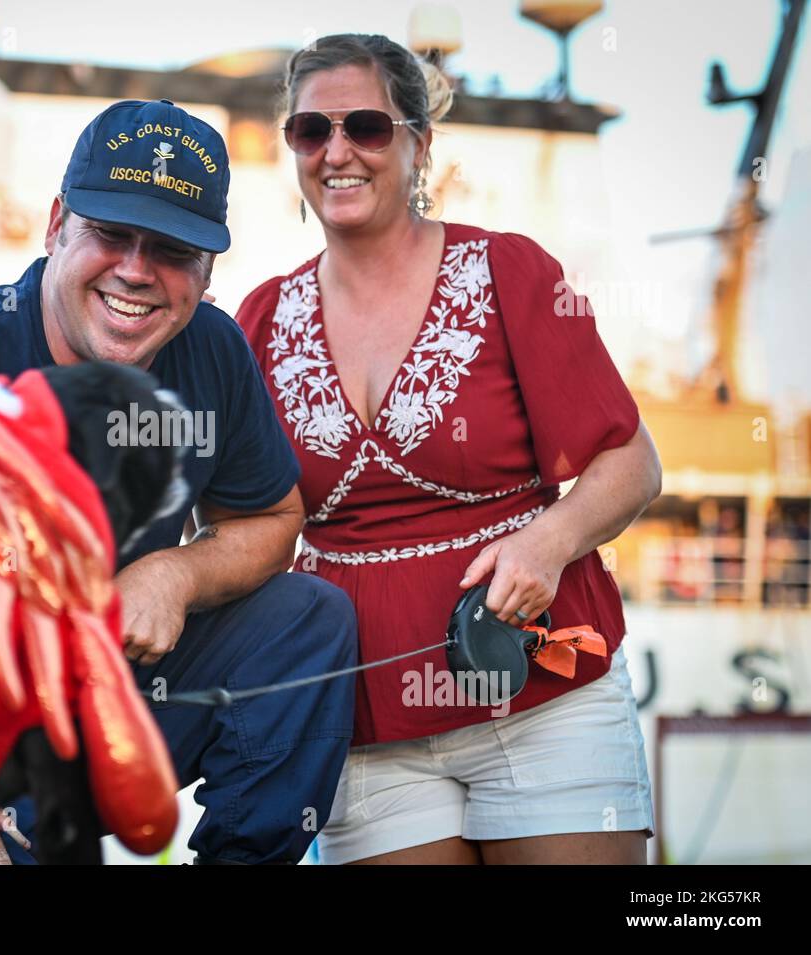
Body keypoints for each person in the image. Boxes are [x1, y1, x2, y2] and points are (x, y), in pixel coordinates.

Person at [0, 99, 358, 864]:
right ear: (56, 224)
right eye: (111, 233)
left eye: (171, 248)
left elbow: (272, 519)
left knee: (308, 617)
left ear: (208, 270)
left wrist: (177, 571)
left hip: (85, 712)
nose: (136, 271)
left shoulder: (211, 350)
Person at [236, 34, 663, 864]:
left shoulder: (511, 272)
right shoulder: (257, 319)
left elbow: (631, 461)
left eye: (366, 125)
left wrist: (549, 541)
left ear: (419, 142)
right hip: (361, 725)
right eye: (309, 132)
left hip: (543, 696)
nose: (337, 152)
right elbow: (242, 525)